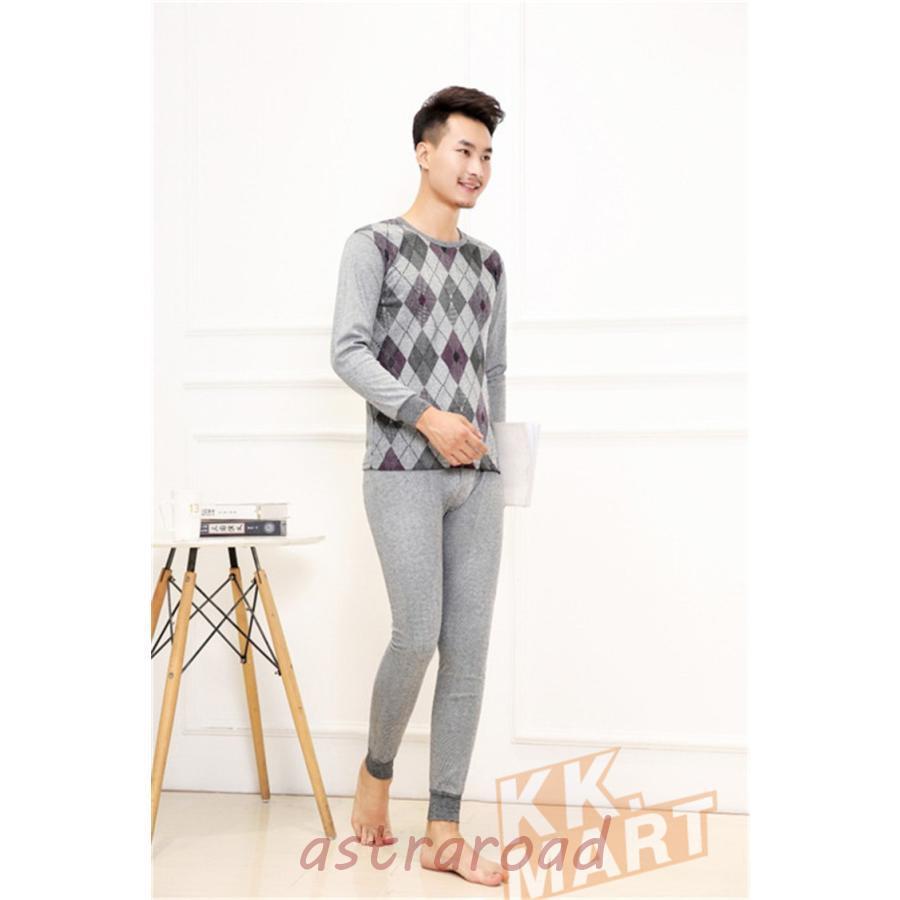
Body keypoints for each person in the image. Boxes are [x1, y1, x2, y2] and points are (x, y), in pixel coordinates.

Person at [329, 86, 510, 887]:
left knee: (467, 650)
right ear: (424, 151)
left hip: (478, 483)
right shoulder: (373, 246)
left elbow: (493, 371)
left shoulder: (489, 264)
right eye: (464, 150)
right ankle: (376, 772)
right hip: (401, 470)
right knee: (417, 634)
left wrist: (495, 462)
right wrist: (427, 416)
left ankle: (443, 830)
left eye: (488, 156)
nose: (477, 168)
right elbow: (348, 351)